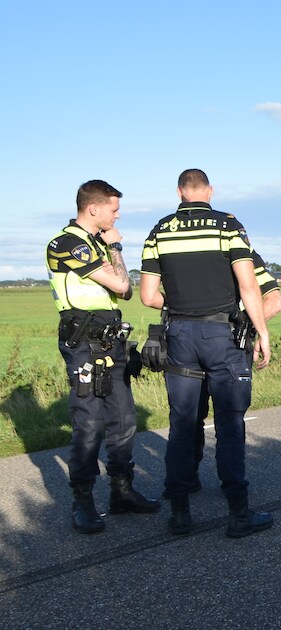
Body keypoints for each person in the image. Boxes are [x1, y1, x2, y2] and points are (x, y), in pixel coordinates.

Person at [139, 168, 273, 538]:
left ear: (180, 192)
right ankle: (238, 514)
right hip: (222, 336)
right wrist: (261, 332)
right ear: (209, 191)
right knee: (230, 424)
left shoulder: (160, 231)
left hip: (179, 333)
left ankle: (180, 513)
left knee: (182, 423)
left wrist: (184, 306)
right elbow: (248, 286)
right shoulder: (227, 227)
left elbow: (149, 296)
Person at [46, 180, 160, 534]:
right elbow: (122, 285)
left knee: (124, 419)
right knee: (89, 422)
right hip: (83, 341)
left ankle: (121, 492)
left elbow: (122, 293)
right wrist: (116, 247)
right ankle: (83, 501)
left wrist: (113, 249)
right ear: (93, 208)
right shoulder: (67, 243)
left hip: (111, 340)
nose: (117, 214)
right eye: (113, 208)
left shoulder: (96, 243)